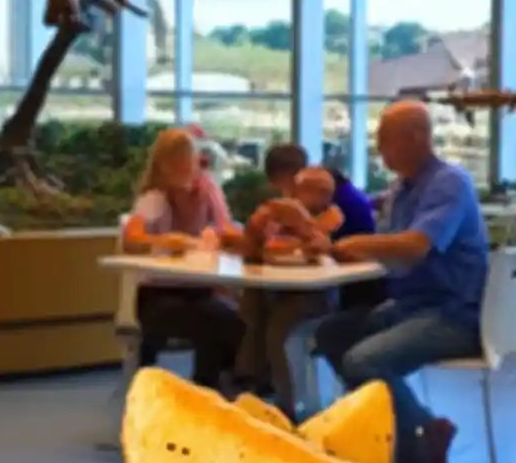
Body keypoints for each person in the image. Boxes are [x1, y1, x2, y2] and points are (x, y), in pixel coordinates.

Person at [314, 100, 488, 463]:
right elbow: (375, 227)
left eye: (385, 138)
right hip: (411, 306)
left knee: (363, 360)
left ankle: (422, 434)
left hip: (453, 313)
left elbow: (415, 246)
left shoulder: (448, 183)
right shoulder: (402, 189)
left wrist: (355, 244)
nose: (379, 148)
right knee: (331, 334)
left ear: (416, 138)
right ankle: (390, 432)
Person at [122, 128, 245, 390]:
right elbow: (131, 238)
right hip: (159, 294)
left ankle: (213, 386)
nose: (186, 168)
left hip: (201, 289)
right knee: (212, 320)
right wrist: (165, 241)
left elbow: (225, 228)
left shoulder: (207, 191)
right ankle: (205, 388)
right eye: (178, 162)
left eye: (188, 160)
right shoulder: (155, 198)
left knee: (232, 319)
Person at [234, 168, 344, 418]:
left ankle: (289, 403)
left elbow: (323, 249)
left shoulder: (332, 217)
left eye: (322, 191)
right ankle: (251, 382)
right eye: (304, 188)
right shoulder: (278, 215)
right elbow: (252, 253)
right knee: (251, 304)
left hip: (315, 293)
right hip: (276, 288)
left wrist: (303, 224)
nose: (313, 196)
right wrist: (255, 228)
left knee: (280, 326)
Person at [263, 143, 386, 310]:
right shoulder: (331, 187)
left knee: (276, 303)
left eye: (284, 188)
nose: (287, 196)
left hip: (351, 289)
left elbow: (304, 244)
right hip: (339, 277)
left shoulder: (326, 199)